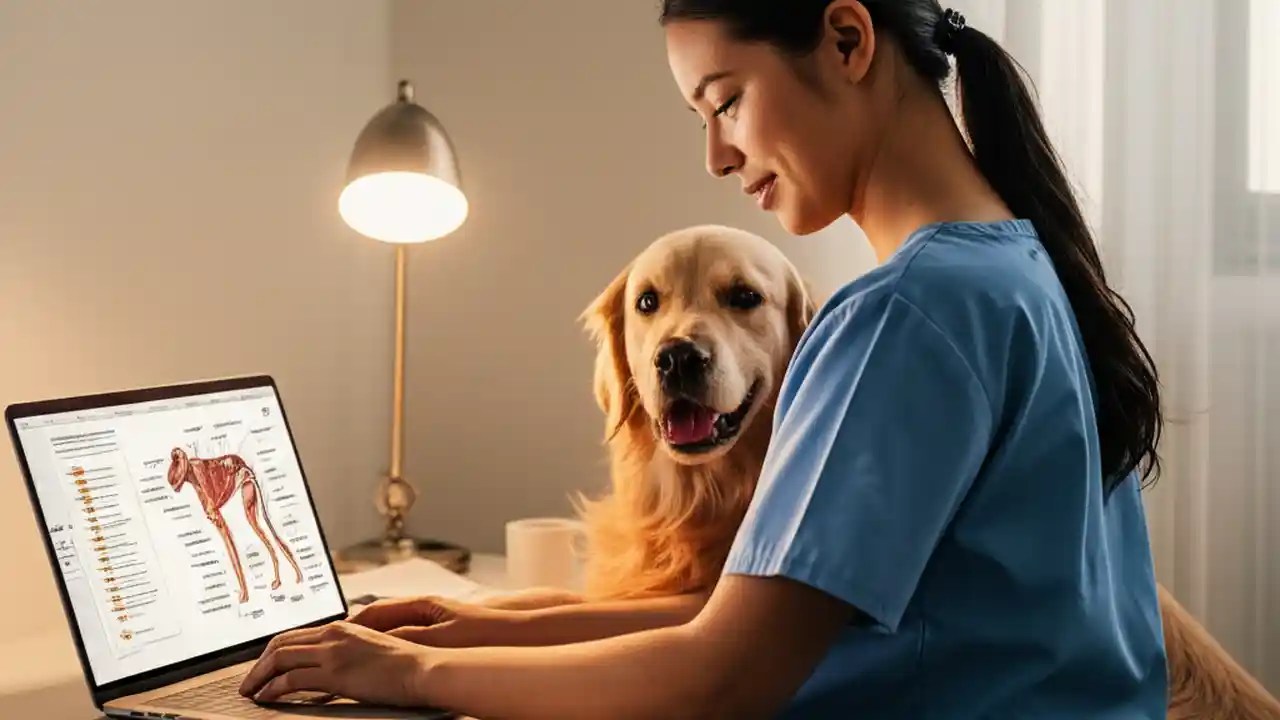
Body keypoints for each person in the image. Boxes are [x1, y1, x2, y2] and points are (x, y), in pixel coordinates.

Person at [240, 1, 1170, 717]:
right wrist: (483, 625)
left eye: (725, 100)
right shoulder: (1015, 267)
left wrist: (416, 674)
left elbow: (722, 676)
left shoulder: (907, 315)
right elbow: (735, 615)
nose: (718, 155)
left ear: (848, 41)